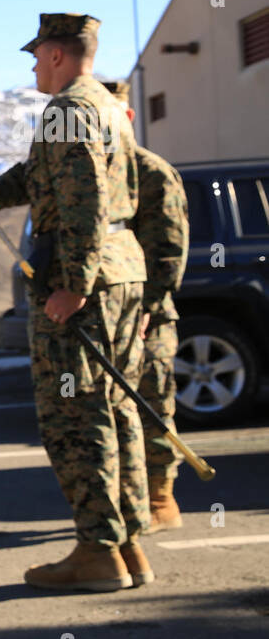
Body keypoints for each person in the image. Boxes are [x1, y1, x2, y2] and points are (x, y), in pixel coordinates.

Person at [0, 13, 151, 591]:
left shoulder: (68, 110)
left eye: (37, 55)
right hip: (121, 273)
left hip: (84, 283)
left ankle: (97, 552)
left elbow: (87, 199)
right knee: (114, 411)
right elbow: (54, 179)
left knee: (75, 417)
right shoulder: (106, 107)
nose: (34, 65)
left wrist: (75, 285)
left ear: (59, 55)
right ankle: (126, 545)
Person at [104, 80, 189, 532]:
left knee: (152, 404)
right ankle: (125, 502)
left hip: (149, 317)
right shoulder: (94, 173)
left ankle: (161, 498)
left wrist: (149, 309)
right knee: (116, 409)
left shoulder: (151, 172)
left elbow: (171, 251)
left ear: (129, 119)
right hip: (111, 314)